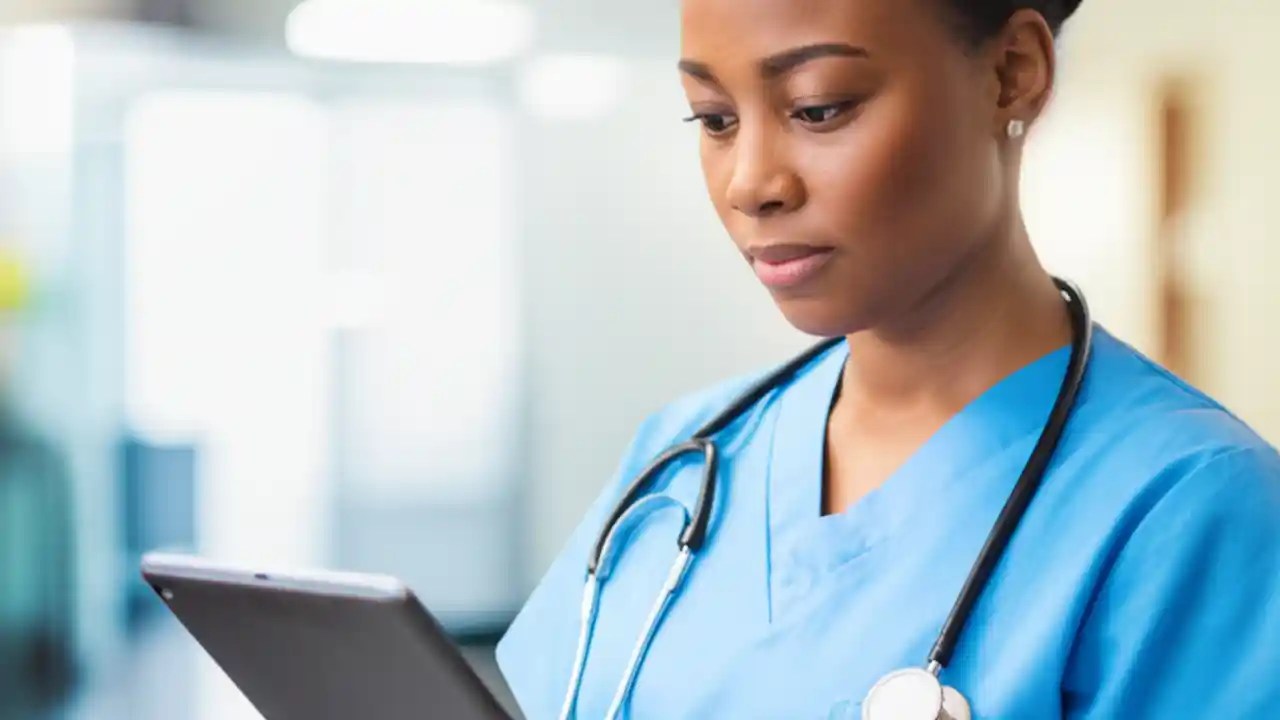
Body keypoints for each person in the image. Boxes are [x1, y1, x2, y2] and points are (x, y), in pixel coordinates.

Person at [497, 0, 1280, 717]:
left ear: (1012, 76)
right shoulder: (685, 456)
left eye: (818, 107)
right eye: (714, 118)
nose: (750, 185)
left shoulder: (1192, 506)